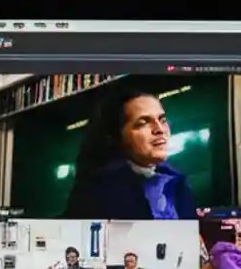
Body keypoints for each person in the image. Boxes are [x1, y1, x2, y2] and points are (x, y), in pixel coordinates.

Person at [63, 88, 197, 220]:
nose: (160, 129)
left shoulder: (178, 184)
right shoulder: (95, 196)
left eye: (162, 120)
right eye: (143, 123)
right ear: (117, 136)